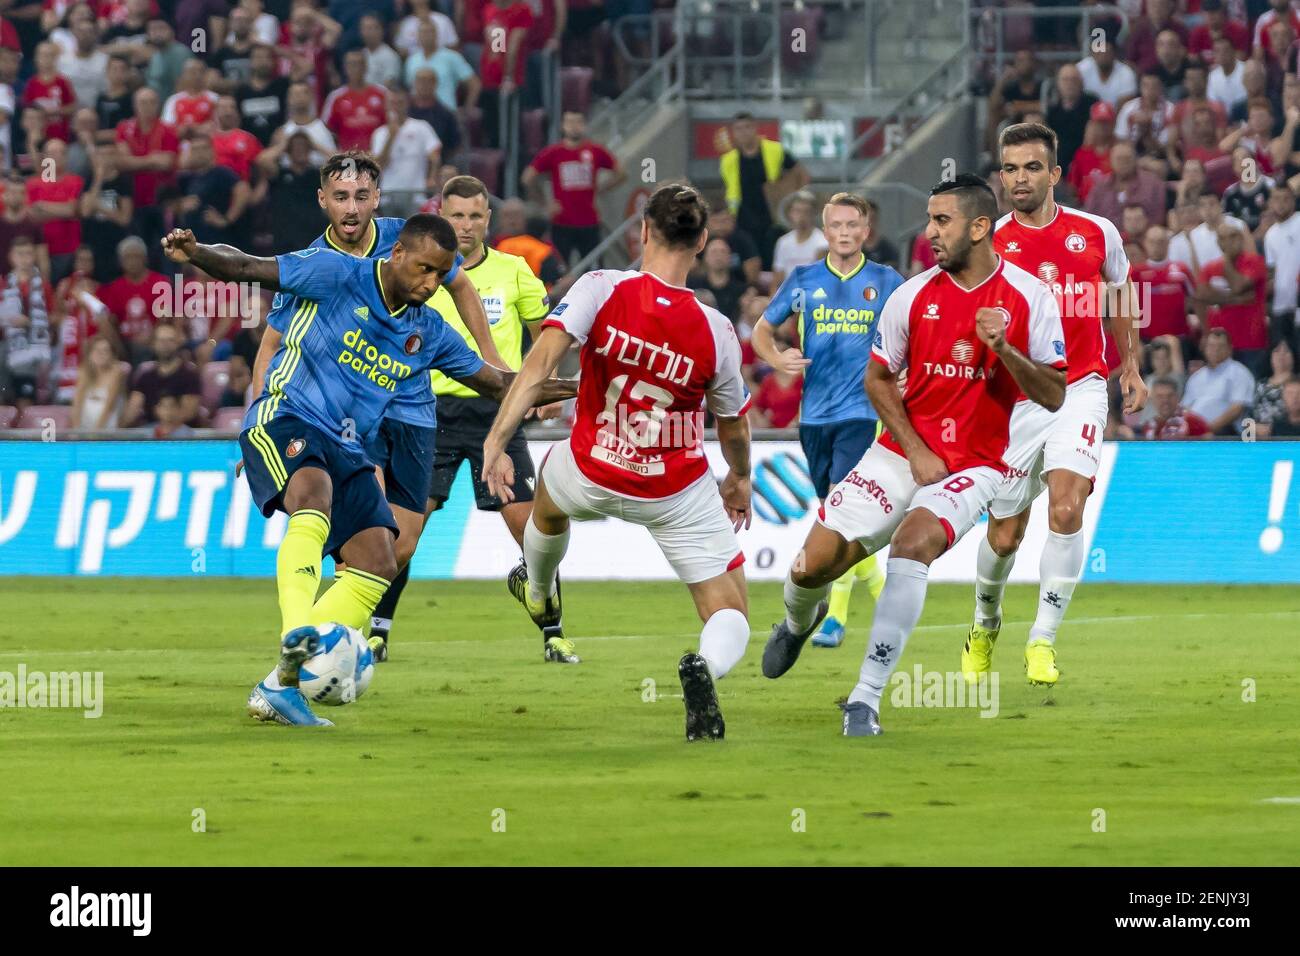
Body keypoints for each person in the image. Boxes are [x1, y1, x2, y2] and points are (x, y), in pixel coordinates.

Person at [160, 213, 571, 727]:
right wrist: (196, 252)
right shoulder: (337, 274)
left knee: (379, 559)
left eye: (439, 277)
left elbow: (495, 382)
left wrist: (567, 385)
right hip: (285, 415)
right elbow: (250, 266)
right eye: (422, 269)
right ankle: (298, 634)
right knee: (312, 496)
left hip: (349, 446)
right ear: (397, 253)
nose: (428, 284)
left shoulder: (428, 330)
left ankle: (279, 686)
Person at [759, 174, 1067, 736]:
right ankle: (796, 624)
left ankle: (865, 699)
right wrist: (916, 448)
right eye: (929, 220)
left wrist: (1005, 349)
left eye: (941, 221)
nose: (930, 233)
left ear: (979, 227)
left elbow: (1053, 393)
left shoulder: (1030, 297)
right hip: (898, 452)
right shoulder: (913, 293)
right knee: (810, 570)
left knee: (911, 544)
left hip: (974, 466)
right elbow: (878, 380)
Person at [483, 184, 755, 741]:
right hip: (675, 491)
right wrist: (741, 478)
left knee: (549, 511)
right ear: (702, 240)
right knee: (730, 612)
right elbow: (733, 423)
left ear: (644, 231)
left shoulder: (601, 287)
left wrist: (497, 439)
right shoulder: (716, 329)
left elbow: (537, 366)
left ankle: (538, 588)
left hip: (590, 468)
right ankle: (704, 667)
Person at [965, 123, 1145, 688]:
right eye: (1011, 169)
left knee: (1066, 509)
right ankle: (984, 623)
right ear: (1001, 177)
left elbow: (1120, 293)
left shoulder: (1096, 233)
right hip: (1014, 397)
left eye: (1031, 168)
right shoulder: (987, 241)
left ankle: (1041, 641)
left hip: (1080, 388)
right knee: (1004, 535)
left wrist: (1131, 366)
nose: (1020, 178)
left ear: (1055, 175)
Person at [369, 175, 563, 660]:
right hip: (426, 413)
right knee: (404, 535)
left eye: (476, 216)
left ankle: (553, 633)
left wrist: (546, 386)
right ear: (442, 215)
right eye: (457, 216)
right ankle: (378, 629)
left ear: (488, 219)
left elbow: (547, 337)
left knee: (531, 531)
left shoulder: (516, 271)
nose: (467, 225)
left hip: (495, 416)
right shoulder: (420, 270)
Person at [754, 192, 904, 648]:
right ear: (825, 229)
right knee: (833, 512)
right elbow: (762, 330)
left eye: (851, 225)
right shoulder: (803, 279)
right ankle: (886, 598)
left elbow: (913, 334)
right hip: (813, 417)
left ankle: (835, 619)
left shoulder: (887, 280)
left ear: (865, 231)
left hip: (862, 414)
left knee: (839, 512)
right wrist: (778, 360)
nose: (843, 232)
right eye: (835, 225)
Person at [522, 111, 624, 267]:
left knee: (593, 271)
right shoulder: (554, 152)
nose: (574, 127)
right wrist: (545, 204)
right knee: (562, 271)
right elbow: (528, 178)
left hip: (589, 220)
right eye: (570, 122)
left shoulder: (595, 151)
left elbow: (621, 173)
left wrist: (601, 189)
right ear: (563, 126)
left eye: (578, 122)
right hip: (561, 222)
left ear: (584, 125)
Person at [719, 112, 809, 268]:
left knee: (774, 262)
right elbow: (729, 190)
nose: (743, 132)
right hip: (743, 220)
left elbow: (802, 174)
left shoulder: (775, 150)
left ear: (755, 128)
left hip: (773, 218)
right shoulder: (728, 160)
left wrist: (793, 198)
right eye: (738, 129)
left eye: (747, 127)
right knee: (748, 263)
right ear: (734, 133)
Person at [124, 322, 201, 426]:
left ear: (178, 343)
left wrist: (164, 429)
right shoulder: (145, 377)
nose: (165, 344)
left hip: (181, 433)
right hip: (150, 433)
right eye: (160, 340)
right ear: (153, 344)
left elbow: (189, 413)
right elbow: (132, 410)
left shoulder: (190, 376)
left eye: (170, 340)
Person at [1181, 327, 1256, 434]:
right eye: (1211, 346)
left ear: (1230, 349)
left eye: (1221, 346)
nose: (1215, 350)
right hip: (1196, 433)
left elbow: (1237, 409)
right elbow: (1185, 408)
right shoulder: (1196, 377)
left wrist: (1207, 429)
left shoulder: (1239, 373)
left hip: (1225, 432)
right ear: (1205, 348)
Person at [770, 190, 826, 288]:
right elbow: (777, 279)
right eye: (798, 211)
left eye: (806, 211)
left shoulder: (822, 243)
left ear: (813, 214)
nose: (802, 216)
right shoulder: (783, 242)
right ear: (790, 214)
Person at [69, 333, 126, 429]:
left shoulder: (116, 372)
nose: (100, 354)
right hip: (84, 429)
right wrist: (76, 430)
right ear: (90, 353)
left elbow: (109, 406)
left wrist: (97, 432)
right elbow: (77, 404)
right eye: (96, 350)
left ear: (112, 355)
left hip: (106, 428)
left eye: (105, 351)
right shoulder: (84, 372)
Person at [687, 237, 749, 322]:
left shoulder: (742, 290)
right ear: (705, 258)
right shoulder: (691, 286)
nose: (718, 256)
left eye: (723, 251)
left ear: (730, 257)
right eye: (714, 252)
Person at [1141, 376, 1211, 438]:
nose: (1165, 400)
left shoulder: (1193, 422)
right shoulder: (1149, 425)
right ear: (1153, 399)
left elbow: (1210, 445)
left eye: (1170, 396)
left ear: (1177, 398)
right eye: (1160, 396)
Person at [1253, 338, 1295, 436]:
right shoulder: (1260, 385)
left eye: (1286, 351)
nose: (1281, 355)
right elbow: (1249, 417)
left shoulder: (1297, 383)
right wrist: (1255, 427)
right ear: (1270, 356)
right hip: (1261, 437)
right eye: (1277, 351)